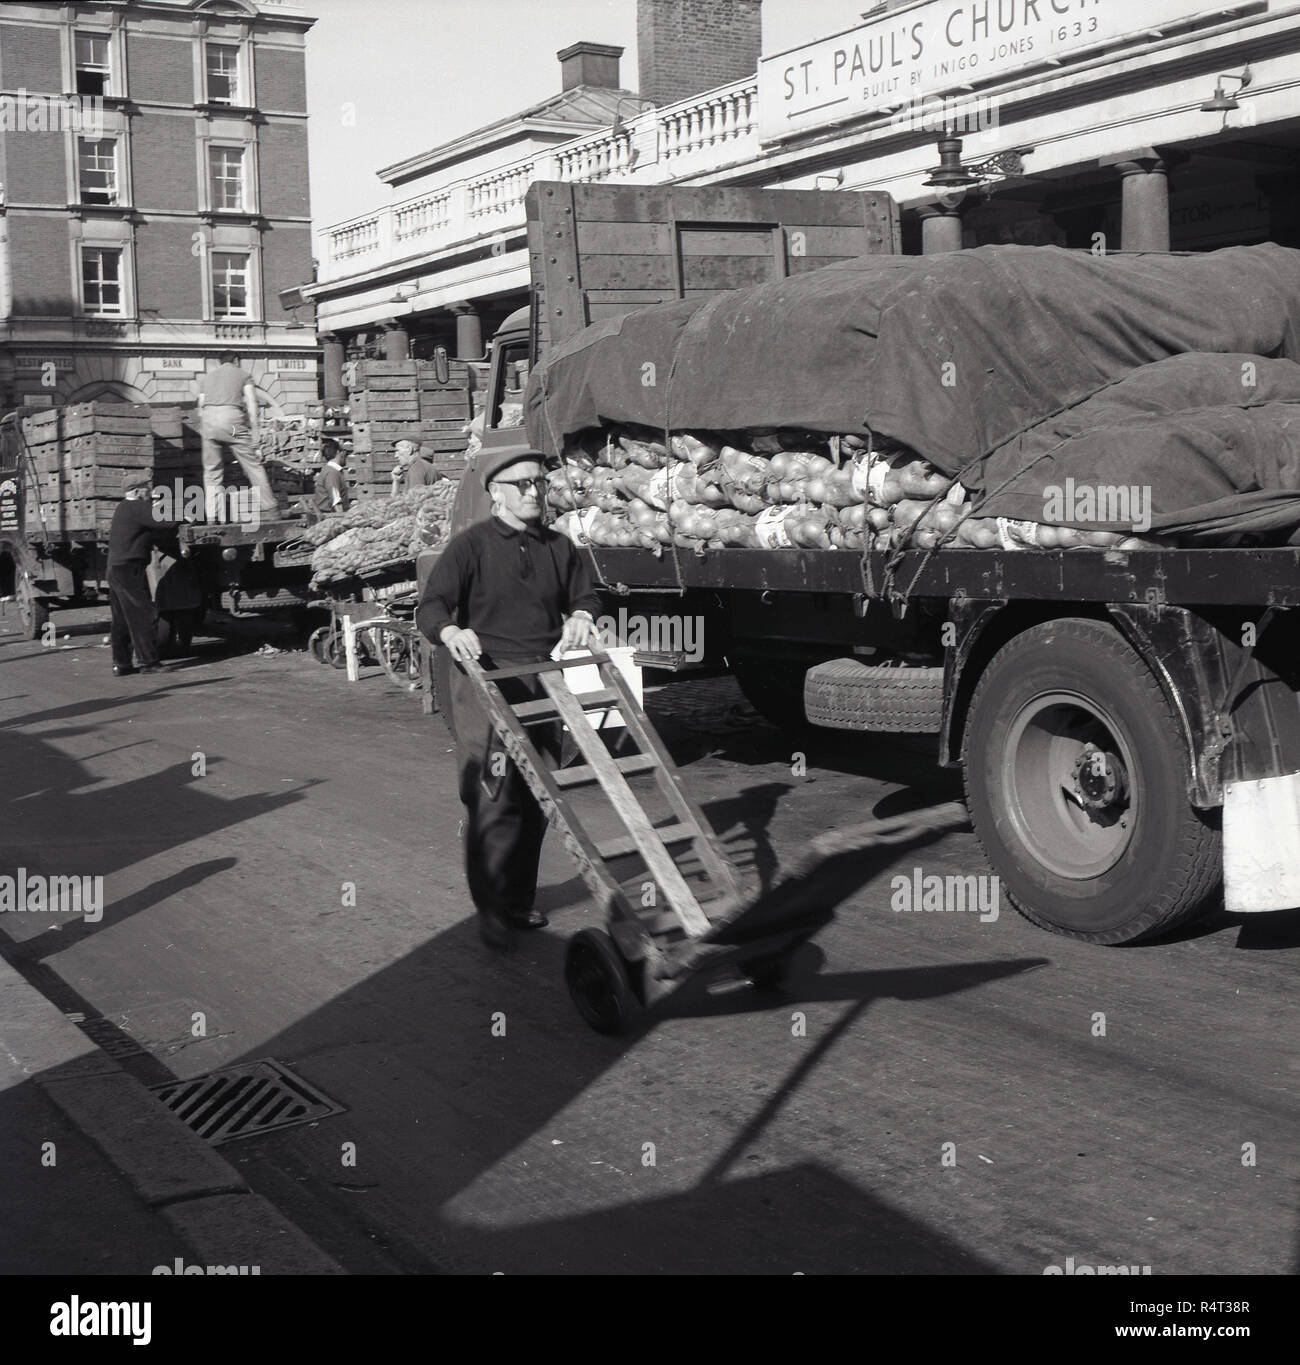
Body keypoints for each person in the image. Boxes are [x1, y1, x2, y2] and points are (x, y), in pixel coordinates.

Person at [416, 432, 600, 948]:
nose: (535, 493)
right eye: (522, 485)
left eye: (540, 483)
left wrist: (584, 613)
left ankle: (517, 901)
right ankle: (493, 907)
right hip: (485, 684)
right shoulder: (469, 547)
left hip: (543, 682)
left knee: (539, 795)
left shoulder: (560, 547)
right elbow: (431, 607)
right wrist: (451, 631)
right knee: (493, 797)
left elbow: (587, 593)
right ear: (495, 492)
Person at [107, 479, 187, 677]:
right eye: (147, 491)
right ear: (137, 491)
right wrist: (182, 518)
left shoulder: (123, 507)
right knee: (143, 615)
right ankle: (148, 663)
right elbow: (161, 522)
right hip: (128, 569)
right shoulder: (136, 507)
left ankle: (122, 664)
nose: (150, 494)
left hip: (116, 569)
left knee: (122, 619)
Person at [196, 351, 277, 520]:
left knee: (212, 471)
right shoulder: (243, 375)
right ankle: (271, 509)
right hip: (232, 424)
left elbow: (200, 406)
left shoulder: (207, 378)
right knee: (252, 464)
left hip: (209, 423)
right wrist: (254, 429)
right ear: (237, 361)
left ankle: (212, 517)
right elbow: (252, 402)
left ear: (220, 362)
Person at [314, 439, 351, 514]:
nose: (346, 456)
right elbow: (336, 500)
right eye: (343, 452)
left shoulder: (332, 470)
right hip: (330, 516)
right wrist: (342, 519)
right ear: (338, 452)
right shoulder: (332, 472)